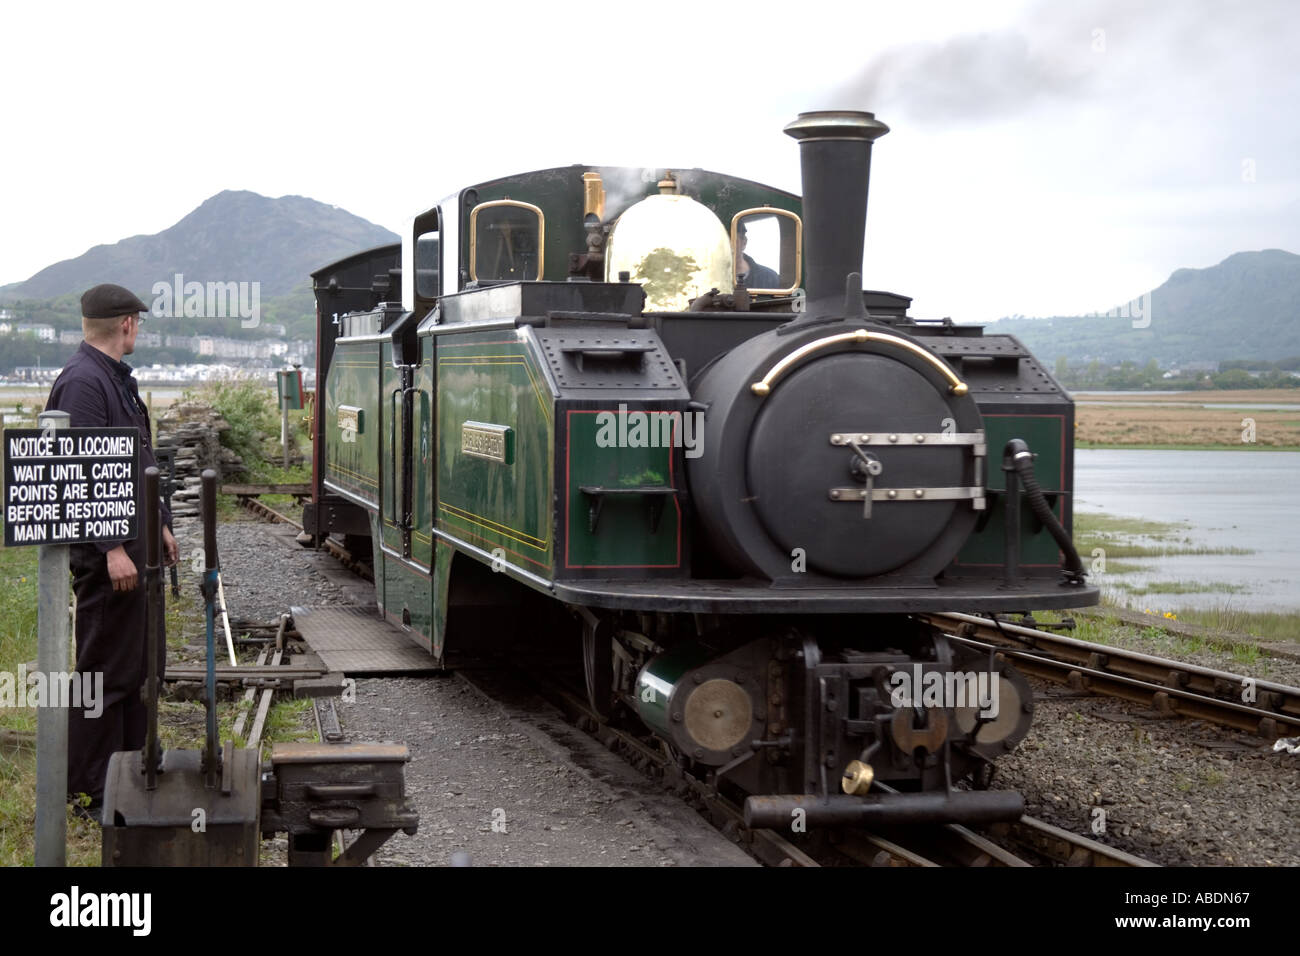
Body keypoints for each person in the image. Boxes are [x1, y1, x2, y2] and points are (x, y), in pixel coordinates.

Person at [46, 283, 179, 821]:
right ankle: (87, 789)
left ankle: (127, 770)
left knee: (136, 667)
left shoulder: (113, 381)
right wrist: (113, 548)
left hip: (136, 551)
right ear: (126, 324)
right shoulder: (83, 384)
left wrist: (162, 525)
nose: (138, 331)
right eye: (137, 323)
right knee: (103, 670)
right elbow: (80, 474)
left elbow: (136, 462)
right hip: (113, 560)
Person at [735, 221, 783, 289]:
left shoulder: (770, 278)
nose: (724, 247)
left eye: (731, 240)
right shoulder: (714, 277)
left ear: (744, 242)